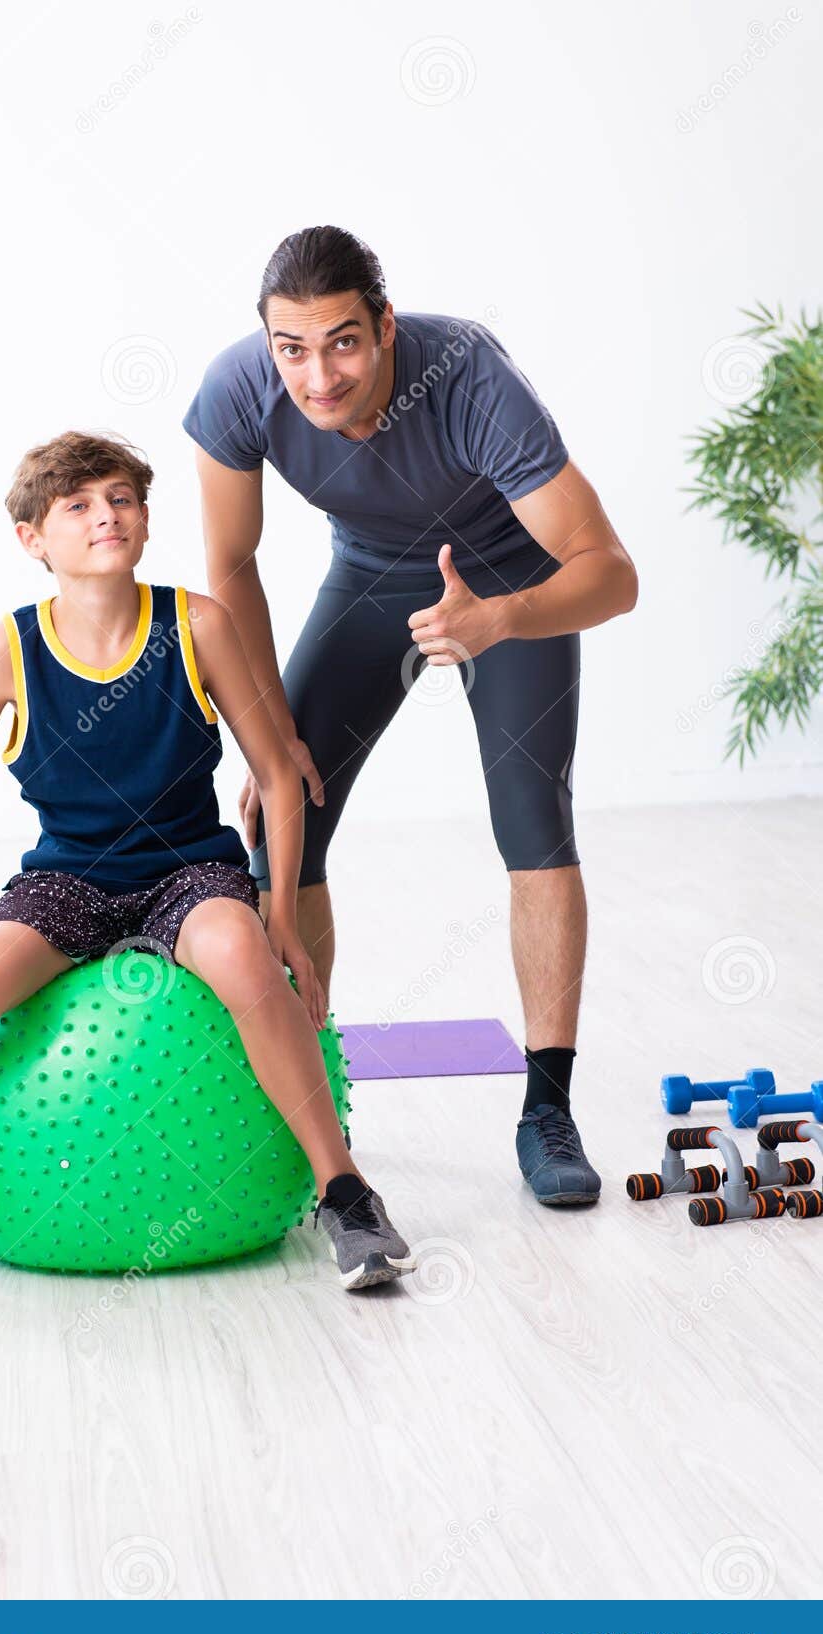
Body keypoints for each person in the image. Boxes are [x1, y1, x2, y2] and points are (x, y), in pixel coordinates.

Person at [0, 429, 414, 1303]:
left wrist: (277, 917)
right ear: (33, 540)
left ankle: (346, 1196)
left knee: (239, 958)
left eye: (120, 498)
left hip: (189, 870)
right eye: (77, 505)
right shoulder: (8, 650)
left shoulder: (197, 624)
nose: (105, 516)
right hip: (68, 878)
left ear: (147, 521)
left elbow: (276, 773)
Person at [183, 226, 639, 1207]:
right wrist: (268, 734)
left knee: (532, 820)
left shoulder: (470, 379)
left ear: (385, 326)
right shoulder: (237, 389)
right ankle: (311, 1095)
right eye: (291, 349)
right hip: (371, 576)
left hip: (513, 577)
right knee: (284, 820)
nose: (317, 377)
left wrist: (500, 616)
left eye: (343, 342)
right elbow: (229, 568)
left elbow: (611, 575)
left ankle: (547, 1108)